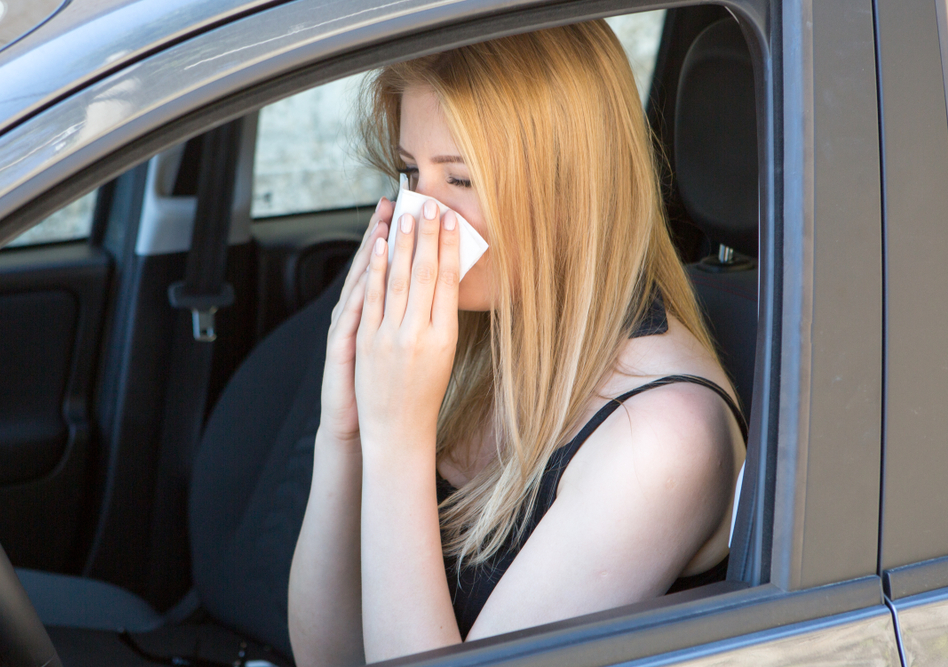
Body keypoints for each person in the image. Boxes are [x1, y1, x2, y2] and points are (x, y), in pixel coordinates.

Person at [288, 19, 747, 666]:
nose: (425, 213)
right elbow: (326, 656)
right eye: (410, 172)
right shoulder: (473, 334)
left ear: (571, 187)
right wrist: (346, 427)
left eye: (463, 180)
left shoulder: (662, 439)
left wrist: (397, 440)